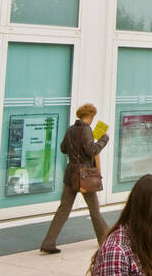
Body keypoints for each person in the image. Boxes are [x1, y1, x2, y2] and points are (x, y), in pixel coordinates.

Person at [41, 103, 110, 254]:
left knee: (64, 208)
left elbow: (63, 148)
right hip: (84, 174)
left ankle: (48, 242)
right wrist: (103, 140)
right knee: (94, 208)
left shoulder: (70, 129)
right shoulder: (87, 129)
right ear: (91, 116)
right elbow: (92, 150)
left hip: (70, 173)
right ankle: (104, 240)